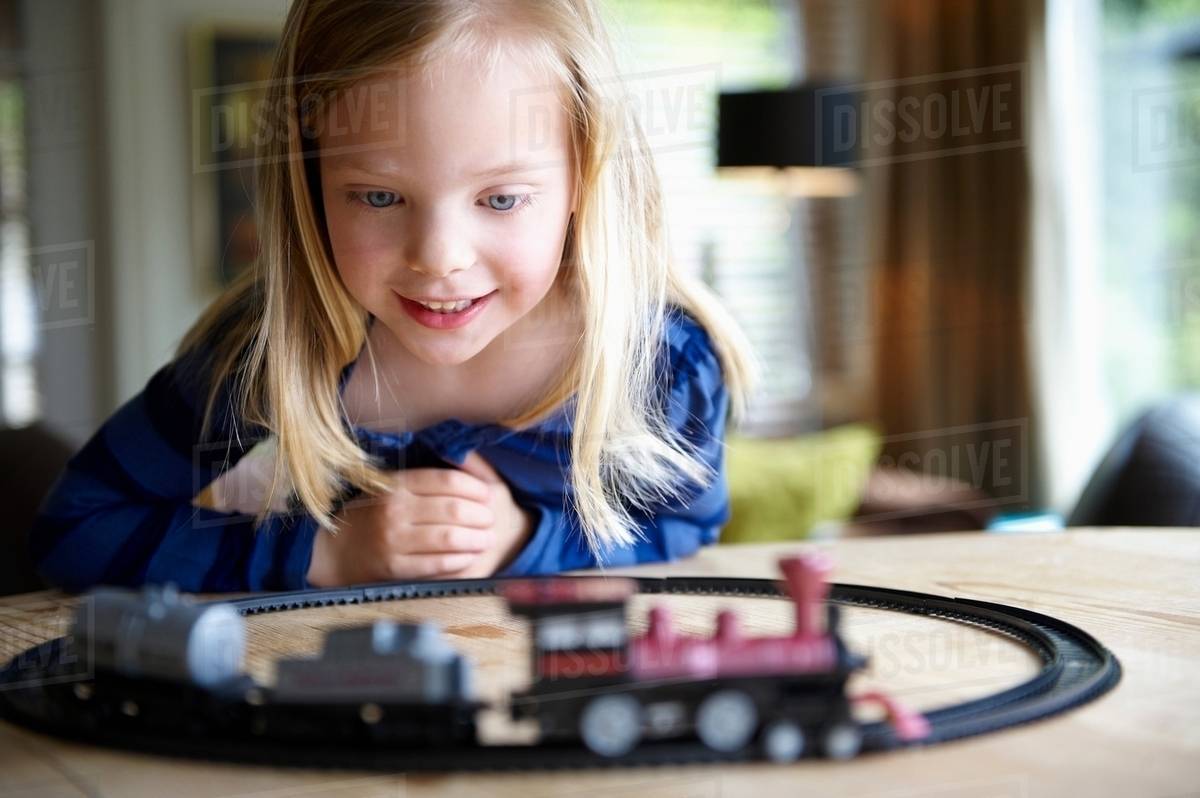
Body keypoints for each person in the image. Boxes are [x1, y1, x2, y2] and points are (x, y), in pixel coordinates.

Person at [30, 0, 758, 593]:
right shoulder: (274, 350)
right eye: (378, 195)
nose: (438, 258)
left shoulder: (659, 361)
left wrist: (527, 542)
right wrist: (325, 555)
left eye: (501, 198)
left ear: (584, 181)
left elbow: (685, 531)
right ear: (309, 183)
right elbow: (75, 528)